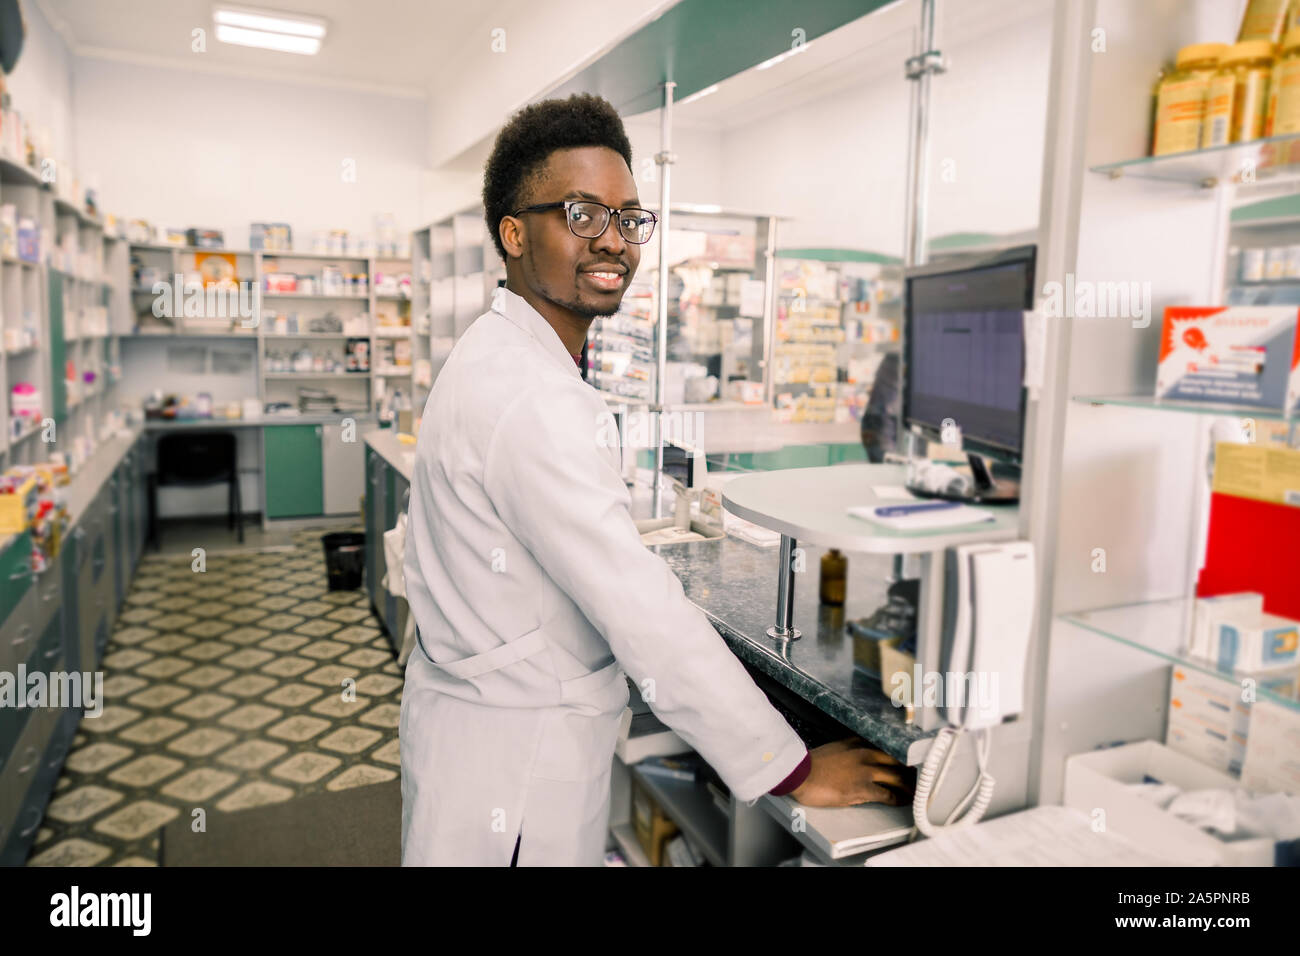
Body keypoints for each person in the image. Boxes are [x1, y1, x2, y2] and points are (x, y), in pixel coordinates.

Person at [400, 93, 909, 867]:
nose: (614, 241)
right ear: (514, 233)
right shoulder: (530, 396)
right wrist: (793, 766)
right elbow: (641, 613)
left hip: (480, 740)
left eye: (629, 218)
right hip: (515, 772)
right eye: (582, 215)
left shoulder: (503, 357)